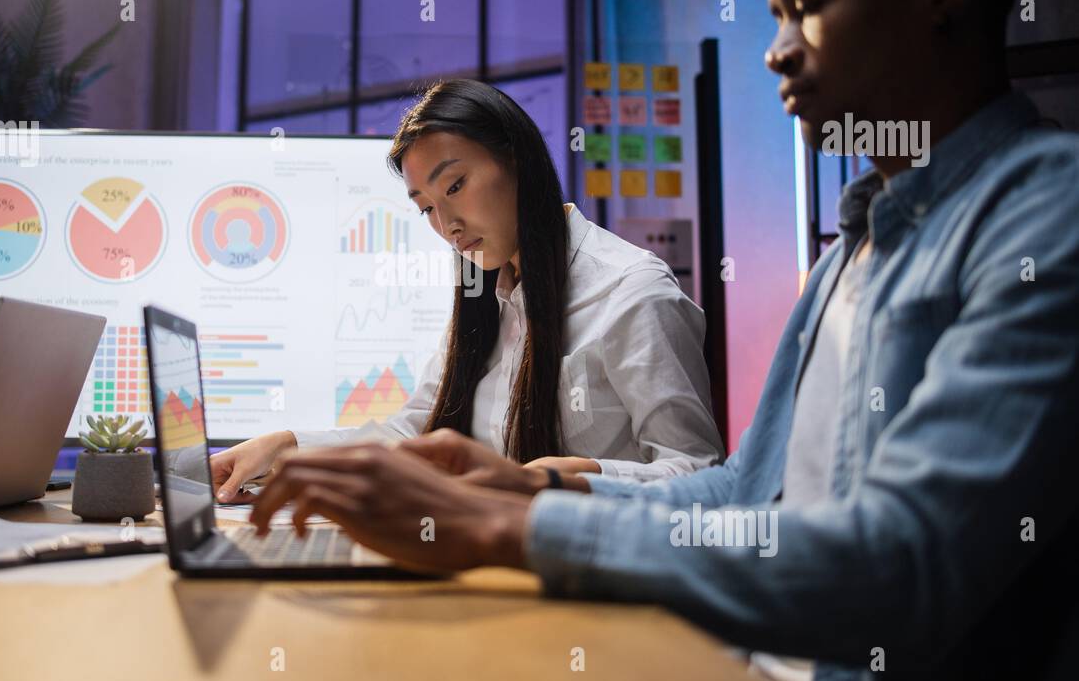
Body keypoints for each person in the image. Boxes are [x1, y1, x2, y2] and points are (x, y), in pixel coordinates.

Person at [247, 0, 1079, 681]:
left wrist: (514, 522)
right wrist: (539, 486)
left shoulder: (1047, 212)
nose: (777, 53)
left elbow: (903, 560)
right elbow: (744, 491)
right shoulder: (848, 254)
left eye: (808, 7)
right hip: (747, 665)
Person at [211, 78, 723, 503]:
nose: (448, 225)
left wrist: (577, 478)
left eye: (455, 186)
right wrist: (286, 446)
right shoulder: (486, 297)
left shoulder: (633, 293)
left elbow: (700, 477)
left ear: (517, 162)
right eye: (427, 207)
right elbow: (416, 432)